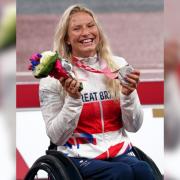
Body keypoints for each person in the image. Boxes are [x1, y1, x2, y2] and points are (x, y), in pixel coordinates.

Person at [39, 4, 155, 180]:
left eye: (90, 25)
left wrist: (128, 94)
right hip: (78, 158)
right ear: (67, 39)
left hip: (120, 153)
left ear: (98, 31)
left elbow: (134, 126)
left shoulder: (118, 66)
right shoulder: (55, 77)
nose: (86, 32)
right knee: (119, 173)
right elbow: (57, 137)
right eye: (77, 28)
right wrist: (73, 100)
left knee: (143, 170)